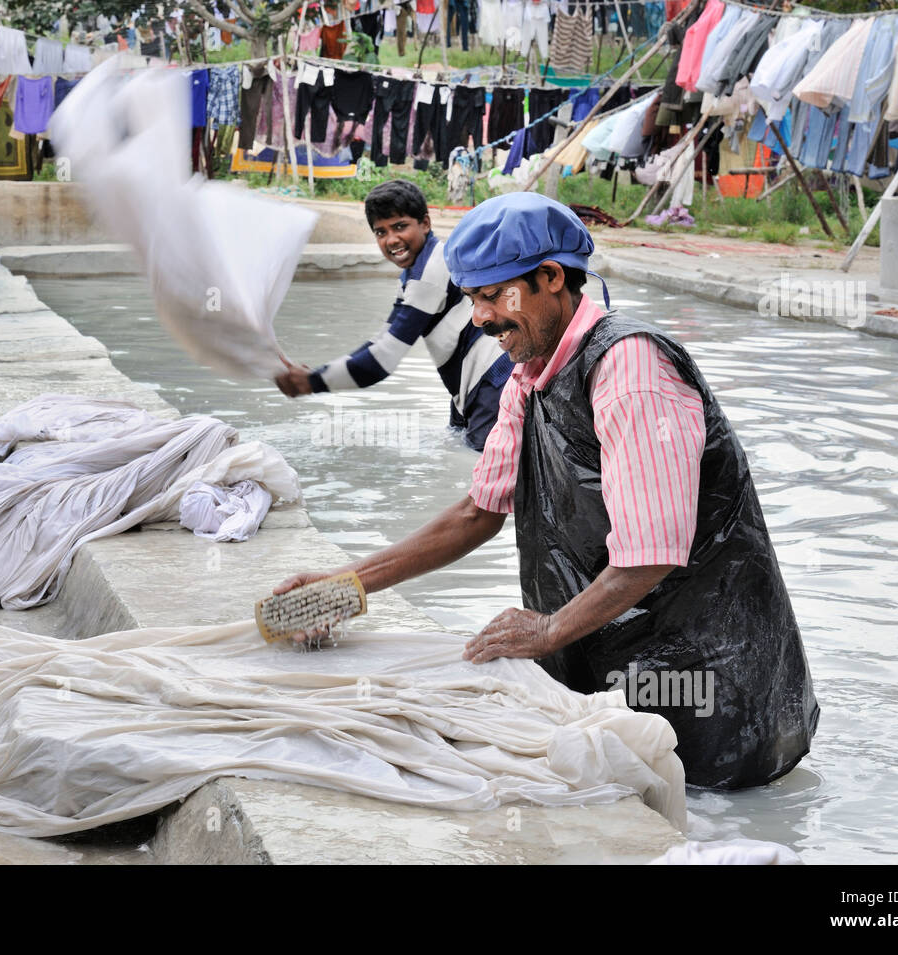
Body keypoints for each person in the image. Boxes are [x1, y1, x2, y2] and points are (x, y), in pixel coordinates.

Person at [274, 192, 820, 790]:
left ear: (552, 278)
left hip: (717, 693)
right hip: (614, 671)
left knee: (702, 825)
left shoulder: (631, 371)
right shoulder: (529, 374)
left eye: (491, 295)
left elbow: (652, 553)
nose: (479, 318)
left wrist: (548, 631)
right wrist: (348, 584)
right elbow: (478, 513)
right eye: (471, 299)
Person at [274, 180, 512, 452]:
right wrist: (318, 375)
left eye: (400, 226)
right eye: (380, 232)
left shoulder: (428, 275)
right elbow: (383, 340)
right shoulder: (423, 265)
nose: (391, 240)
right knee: (464, 460)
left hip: (492, 383)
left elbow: (381, 360)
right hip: (474, 386)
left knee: (486, 481)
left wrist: (313, 382)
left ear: (425, 223)